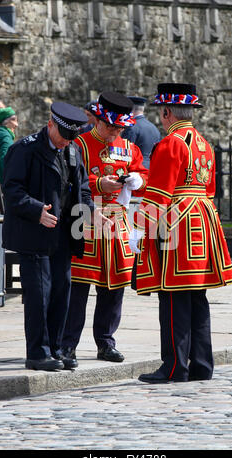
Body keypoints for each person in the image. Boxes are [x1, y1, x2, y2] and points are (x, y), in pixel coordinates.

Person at [129, 83, 232, 383]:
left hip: (178, 222)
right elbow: (210, 190)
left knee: (173, 297)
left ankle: (175, 367)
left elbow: (159, 194)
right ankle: (202, 365)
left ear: (166, 112)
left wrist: (139, 229)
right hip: (202, 219)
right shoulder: (205, 144)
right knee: (197, 298)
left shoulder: (170, 144)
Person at [2, 101, 110, 372]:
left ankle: (58, 349)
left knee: (62, 291)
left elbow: (82, 189)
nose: (65, 143)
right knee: (40, 294)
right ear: (50, 124)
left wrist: (91, 213)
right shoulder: (24, 150)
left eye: (70, 139)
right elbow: (12, 190)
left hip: (63, 233)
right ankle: (38, 352)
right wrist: (36, 210)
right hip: (33, 234)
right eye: (63, 137)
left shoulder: (72, 150)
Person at [62, 91, 148, 366]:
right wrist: (99, 184)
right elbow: (69, 180)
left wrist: (136, 179)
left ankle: (106, 342)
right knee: (78, 286)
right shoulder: (79, 144)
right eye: (110, 126)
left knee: (115, 287)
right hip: (85, 218)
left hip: (118, 221)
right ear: (98, 120)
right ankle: (67, 344)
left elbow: (144, 175)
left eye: (119, 128)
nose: (114, 132)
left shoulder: (128, 147)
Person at [122, 96, 161, 169]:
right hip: (152, 169)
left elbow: (125, 154)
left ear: (130, 109)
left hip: (136, 169)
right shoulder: (154, 128)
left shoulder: (131, 127)